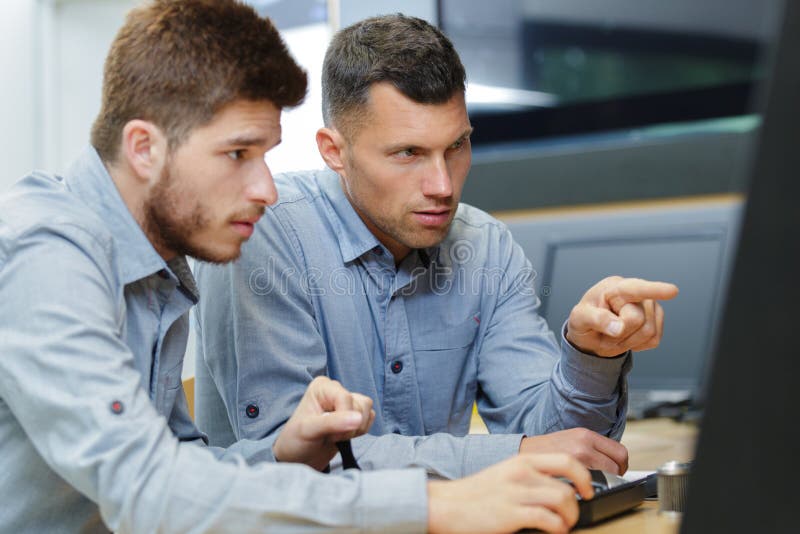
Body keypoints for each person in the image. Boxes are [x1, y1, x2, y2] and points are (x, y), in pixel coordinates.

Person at [0, 2, 597, 533]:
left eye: (264, 155)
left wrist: (287, 448)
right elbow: (149, 491)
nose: (264, 187)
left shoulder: (154, 268)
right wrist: (432, 507)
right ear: (144, 148)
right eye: (238, 154)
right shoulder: (45, 251)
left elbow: (188, 472)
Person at [194, 13, 679, 480]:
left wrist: (590, 355)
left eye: (456, 146)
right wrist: (512, 456)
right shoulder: (262, 236)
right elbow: (297, 461)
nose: (443, 185)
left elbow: (565, 448)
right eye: (408, 153)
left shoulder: (486, 246)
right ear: (334, 152)